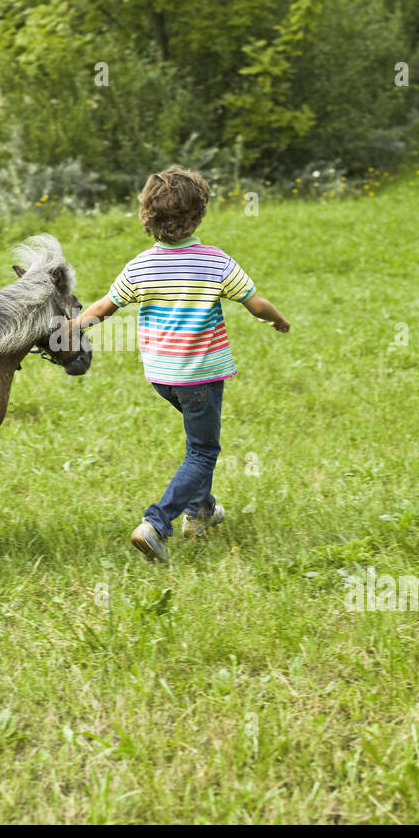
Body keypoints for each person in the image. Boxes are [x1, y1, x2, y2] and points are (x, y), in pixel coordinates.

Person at [64, 167, 290, 561]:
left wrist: (67, 328)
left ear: (147, 216)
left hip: (162, 377)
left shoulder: (140, 266)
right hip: (200, 377)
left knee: (196, 443)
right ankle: (156, 524)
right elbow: (256, 304)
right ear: (199, 214)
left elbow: (103, 308)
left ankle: (200, 512)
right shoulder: (215, 262)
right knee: (203, 450)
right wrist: (277, 319)